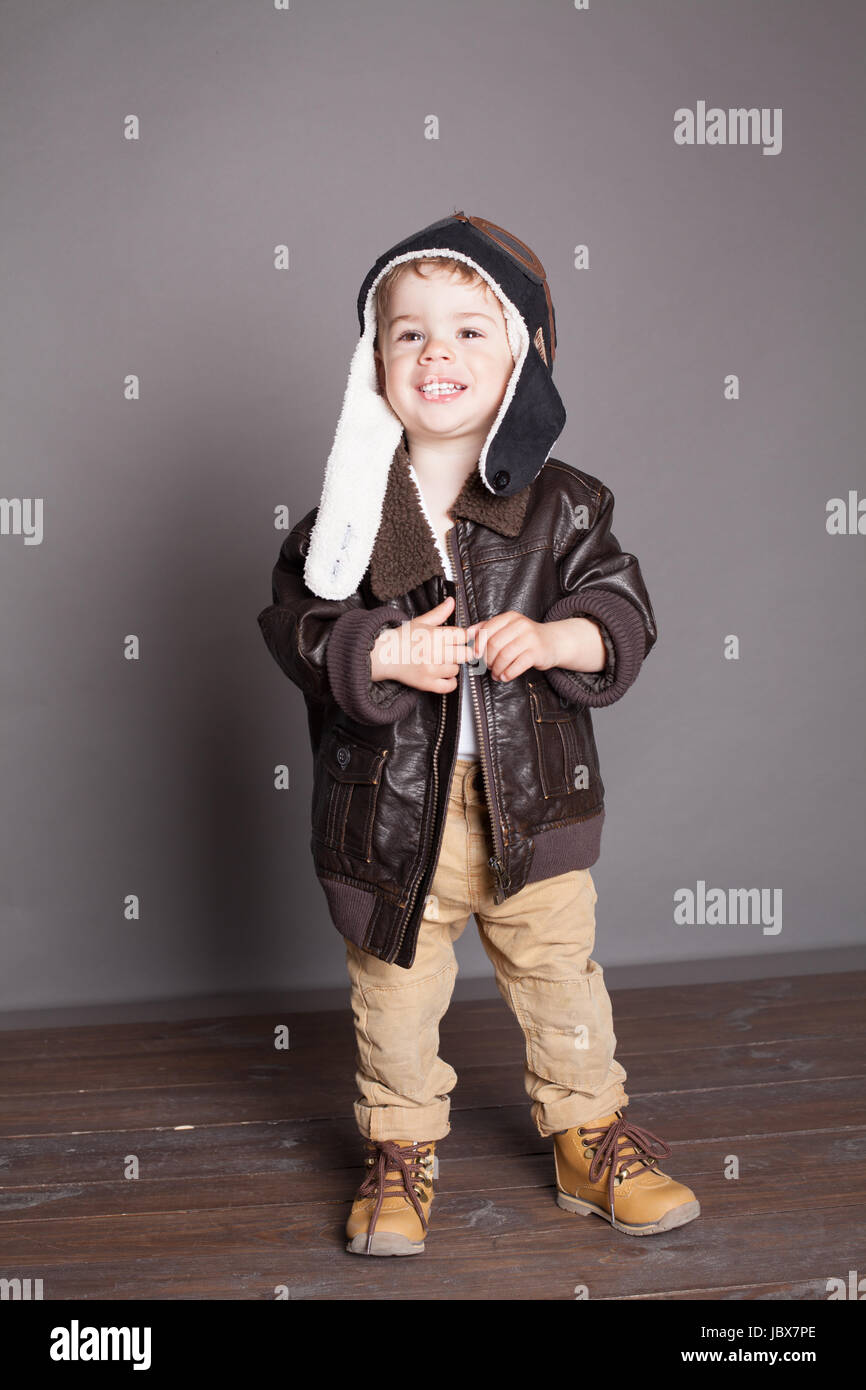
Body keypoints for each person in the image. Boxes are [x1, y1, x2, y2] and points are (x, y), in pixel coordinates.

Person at [257, 211, 700, 1256]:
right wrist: (374, 652)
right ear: (375, 362)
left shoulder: (567, 507)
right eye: (408, 333)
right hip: (388, 816)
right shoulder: (345, 521)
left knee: (559, 981)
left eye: (468, 330)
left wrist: (554, 635)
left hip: (530, 805)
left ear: (522, 363)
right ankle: (398, 1150)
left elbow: (623, 618)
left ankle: (590, 1134)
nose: (436, 353)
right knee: (394, 1002)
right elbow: (295, 628)